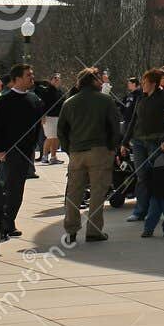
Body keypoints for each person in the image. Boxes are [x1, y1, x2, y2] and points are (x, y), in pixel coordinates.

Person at [56, 67, 122, 245]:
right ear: (93, 81)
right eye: (100, 79)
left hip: (77, 152)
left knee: (74, 192)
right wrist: (112, 148)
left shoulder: (69, 102)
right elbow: (115, 127)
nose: (102, 82)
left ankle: (71, 230)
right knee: (97, 193)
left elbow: (61, 130)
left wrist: (68, 149)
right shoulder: (105, 101)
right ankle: (93, 230)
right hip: (100, 150)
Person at [121, 64, 164, 225]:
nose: (142, 84)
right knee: (142, 175)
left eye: (145, 82)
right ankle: (140, 211)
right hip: (139, 141)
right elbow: (134, 119)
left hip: (156, 141)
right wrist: (125, 142)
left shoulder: (162, 97)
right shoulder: (141, 98)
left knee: (157, 176)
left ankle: (155, 210)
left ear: (154, 83)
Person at [0, 64, 43, 238]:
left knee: (16, 189)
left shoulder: (34, 99)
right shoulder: (4, 101)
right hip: (10, 151)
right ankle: (4, 223)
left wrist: (33, 147)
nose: (32, 78)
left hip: (27, 152)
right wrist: (0, 149)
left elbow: (37, 126)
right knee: (11, 187)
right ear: (17, 79)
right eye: (28, 75)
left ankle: (7, 221)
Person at [34, 74, 63, 165]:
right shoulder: (45, 90)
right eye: (55, 79)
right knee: (50, 137)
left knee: (56, 137)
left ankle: (53, 157)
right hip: (48, 117)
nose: (57, 80)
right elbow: (35, 85)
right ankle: (45, 156)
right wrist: (42, 116)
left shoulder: (60, 92)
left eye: (58, 79)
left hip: (58, 117)